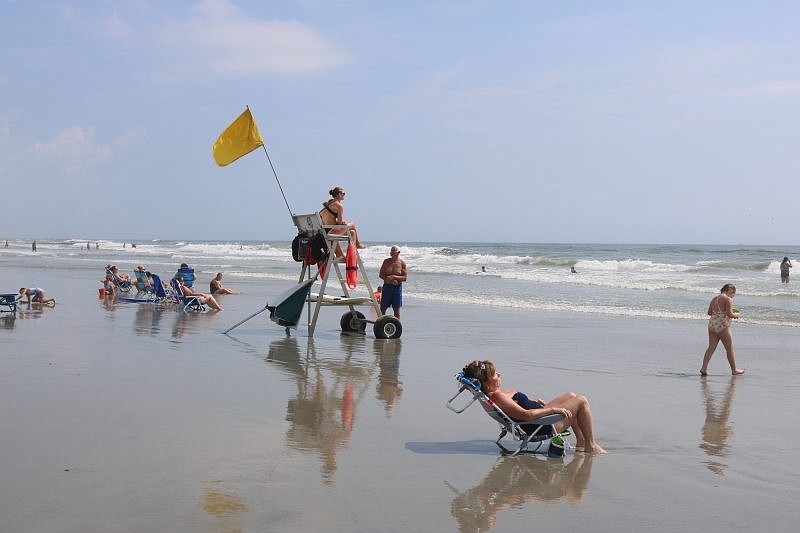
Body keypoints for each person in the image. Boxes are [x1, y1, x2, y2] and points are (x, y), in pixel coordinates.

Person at [463, 359, 606, 454]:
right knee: (582, 400)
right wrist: (554, 409)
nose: (499, 374)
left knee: (571, 395)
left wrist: (532, 401)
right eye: (495, 374)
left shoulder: (494, 394)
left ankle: (581, 442)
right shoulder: (497, 396)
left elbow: (516, 407)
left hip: (538, 418)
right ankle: (590, 445)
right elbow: (526, 415)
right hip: (542, 426)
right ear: (487, 384)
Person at [700, 284, 744, 376]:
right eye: (733, 293)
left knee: (711, 347)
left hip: (712, 324)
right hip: (722, 325)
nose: (733, 296)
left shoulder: (714, 299)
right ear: (729, 290)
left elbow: (709, 312)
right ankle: (734, 370)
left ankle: (704, 368)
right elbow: (729, 313)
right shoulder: (728, 299)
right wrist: (736, 315)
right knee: (729, 348)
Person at [379, 246, 407, 318]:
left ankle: (397, 325)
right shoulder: (386, 262)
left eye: (394, 251)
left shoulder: (402, 263)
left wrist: (394, 277)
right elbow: (381, 274)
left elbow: (404, 278)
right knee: (383, 307)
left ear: (398, 252)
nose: (392, 253)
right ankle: (380, 323)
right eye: (391, 252)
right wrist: (387, 279)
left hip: (397, 288)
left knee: (396, 309)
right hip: (387, 287)